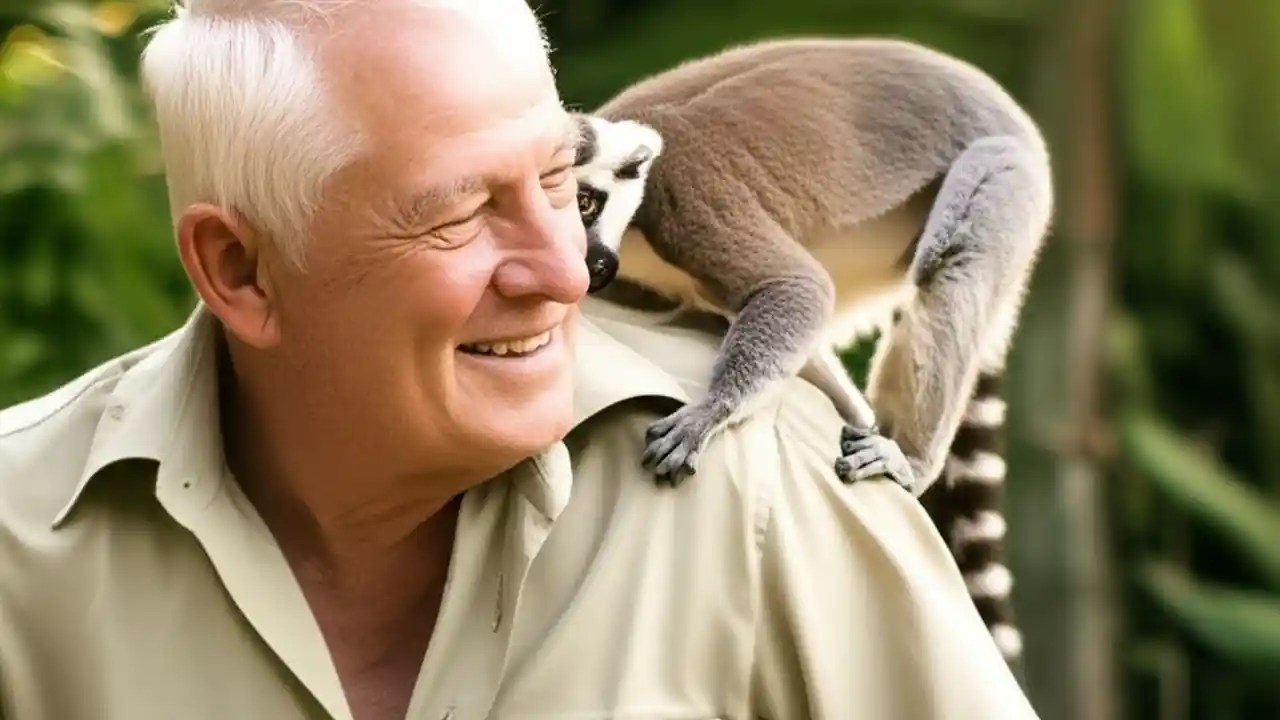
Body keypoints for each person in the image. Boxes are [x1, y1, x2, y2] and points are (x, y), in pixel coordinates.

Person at [0, 1, 1037, 718]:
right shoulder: (21, 548)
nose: (565, 272)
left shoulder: (757, 477)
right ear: (241, 272)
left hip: (953, 186)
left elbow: (789, 303)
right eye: (458, 213)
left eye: (553, 182)